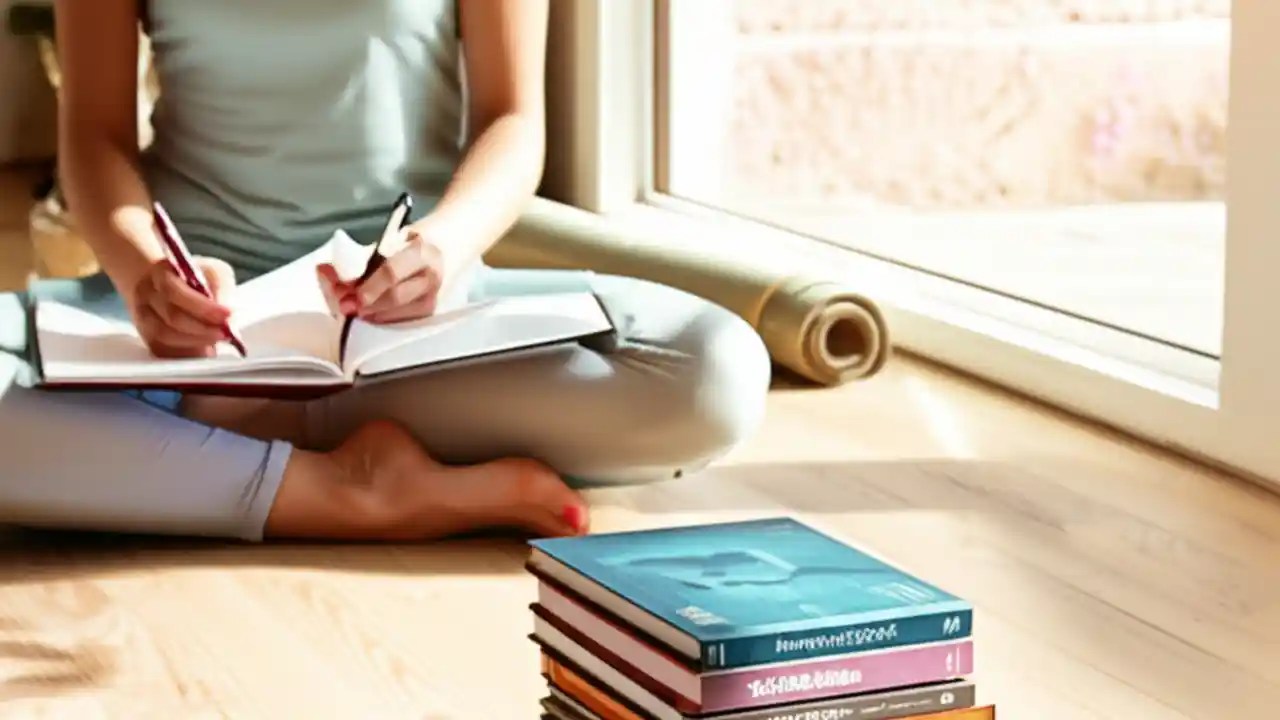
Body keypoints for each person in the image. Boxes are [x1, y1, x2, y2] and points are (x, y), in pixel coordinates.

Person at [0, 0, 770, 543]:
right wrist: (145, 273)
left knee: (715, 369)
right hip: (184, 332)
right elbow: (94, 136)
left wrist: (443, 245)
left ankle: (213, 433)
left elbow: (513, 121)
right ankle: (336, 492)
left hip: (416, 327)